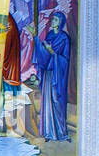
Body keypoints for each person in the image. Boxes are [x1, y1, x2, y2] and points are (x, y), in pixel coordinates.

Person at [30, 12, 71, 142]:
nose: (52, 21)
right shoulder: (49, 36)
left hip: (57, 75)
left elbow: (65, 60)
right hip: (48, 74)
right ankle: (48, 132)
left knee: (56, 100)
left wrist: (52, 52)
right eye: (52, 19)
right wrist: (36, 38)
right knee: (47, 100)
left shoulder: (64, 38)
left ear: (60, 22)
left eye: (55, 19)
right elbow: (43, 54)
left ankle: (61, 132)